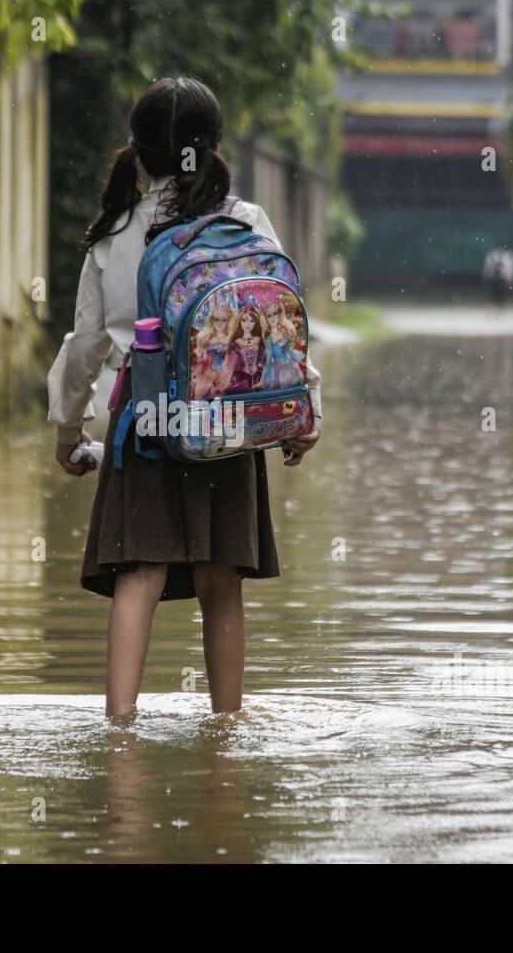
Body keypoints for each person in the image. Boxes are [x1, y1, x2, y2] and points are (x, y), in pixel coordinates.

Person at [46, 75, 324, 719]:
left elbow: (86, 344)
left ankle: (119, 733)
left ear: (139, 155)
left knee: (137, 574)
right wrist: (304, 411)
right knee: (221, 581)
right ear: (216, 144)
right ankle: (227, 732)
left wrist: (68, 433)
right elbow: (281, 326)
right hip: (225, 417)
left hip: (145, 418)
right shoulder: (246, 222)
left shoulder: (113, 235)